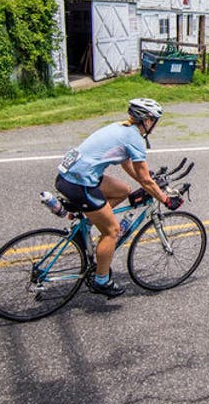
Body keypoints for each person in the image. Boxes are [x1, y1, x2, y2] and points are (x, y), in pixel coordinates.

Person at [54, 98, 182, 298]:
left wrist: (145, 181)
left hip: (69, 176)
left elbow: (129, 166)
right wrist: (165, 199)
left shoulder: (121, 128)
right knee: (112, 231)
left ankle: (86, 223)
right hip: (80, 184)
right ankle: (101, 281)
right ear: (147, 120)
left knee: (123, 190)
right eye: (154, 120)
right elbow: (146, 180)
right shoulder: (135, 138)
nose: (154, 124)